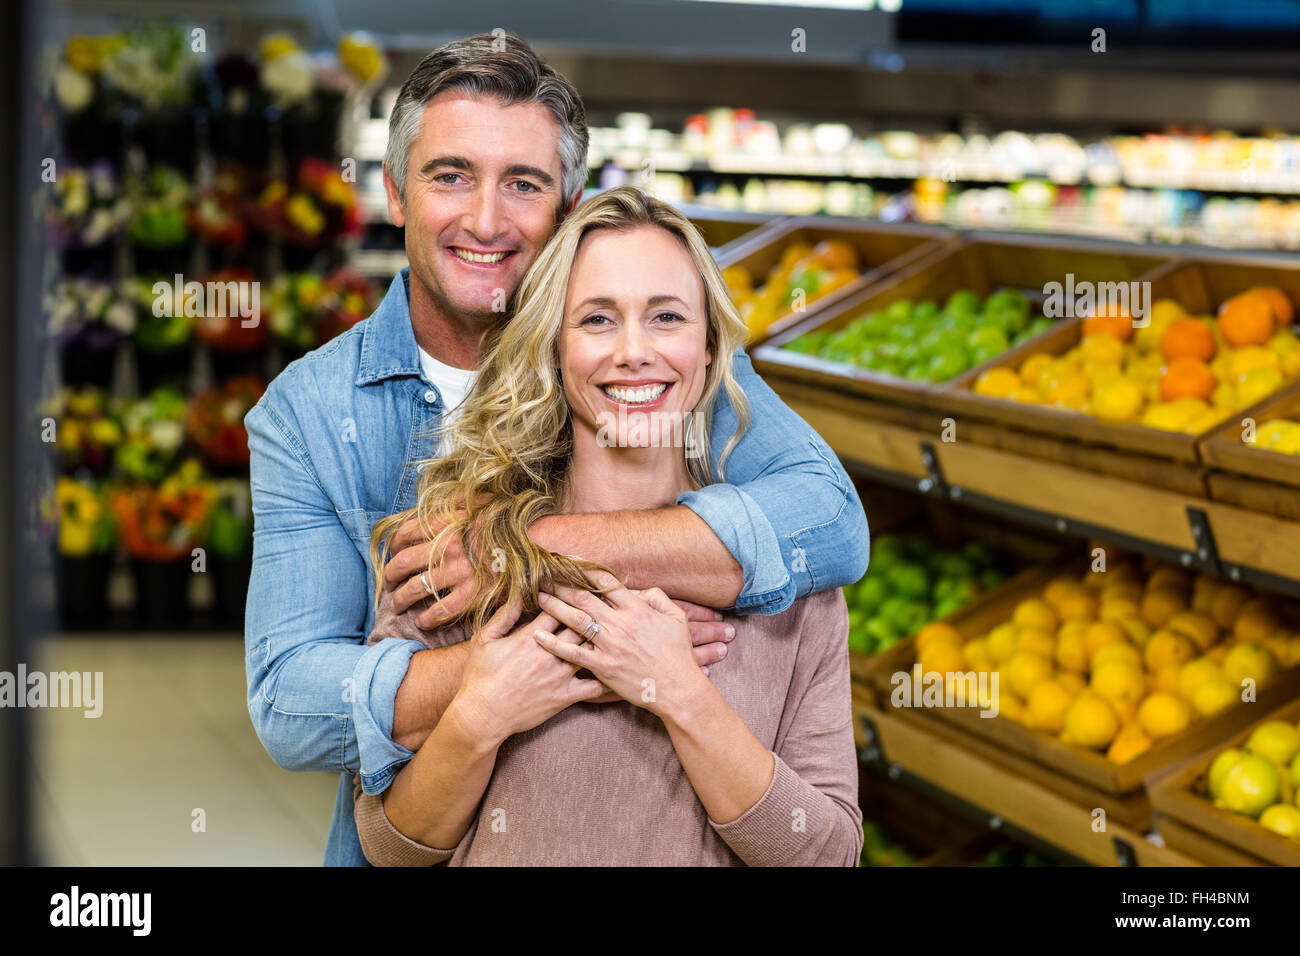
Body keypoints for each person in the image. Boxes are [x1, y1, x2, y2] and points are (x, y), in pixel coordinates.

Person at [244, 32, 869, 867]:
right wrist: (513, 668)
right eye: (450, 175)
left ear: (569, 203)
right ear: (394, 192)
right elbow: (290, 705)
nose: (486, 219)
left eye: (525, 184)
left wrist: (525, 553)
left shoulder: (676, 376)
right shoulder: (310, 411)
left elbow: (830, 524)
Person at [355, 186, 861, 865]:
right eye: (597, 319)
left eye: (666, 318)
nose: (633, 351)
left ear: (711, 348)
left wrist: (681, 695)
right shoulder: (457, 556)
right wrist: (481, 714)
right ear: (552, 346)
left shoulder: (793, 585)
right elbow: (390, 846)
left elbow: (828, 854)